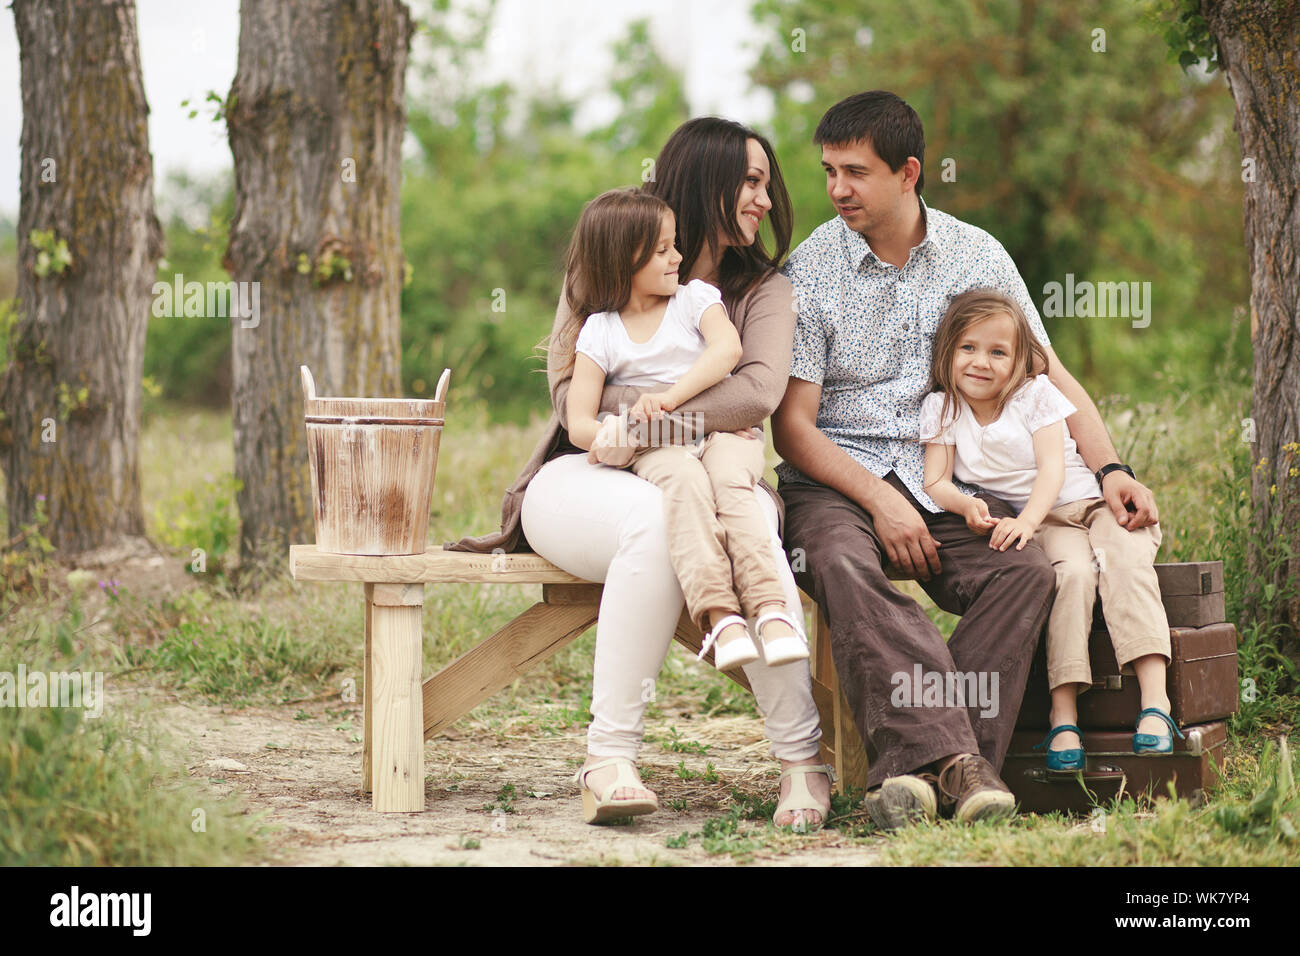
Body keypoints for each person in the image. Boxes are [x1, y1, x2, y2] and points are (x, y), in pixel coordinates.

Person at [771, 91, 1162, 831]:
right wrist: (881, 501)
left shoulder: (976, 254)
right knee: (846, 567)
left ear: (909, 172)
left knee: (1023, 571)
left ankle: (921, 775)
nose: (836, 190)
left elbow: (1044, 374)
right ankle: (962, 767)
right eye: (828, 171)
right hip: (834, 480)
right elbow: (793, 428)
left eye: (855, 172)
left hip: (947, 480)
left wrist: (1110, 469)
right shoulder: (811, 269)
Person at [448, 117, 833, 830]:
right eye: (749, 181)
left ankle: (801, 762)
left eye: (765, 182)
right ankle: (610, 760)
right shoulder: (607, 256)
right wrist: (660, 416)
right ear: (704, 182)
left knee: (739, 519)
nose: (765, 197)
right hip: (586, 475)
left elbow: (757, 394)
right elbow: (570, 404)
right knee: (654, 521)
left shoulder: (762, 291)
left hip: (718, 473)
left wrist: (648, 411)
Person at [918, 288, 1179, 768]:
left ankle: (1155, 704)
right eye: (968, 348)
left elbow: (1053, 471)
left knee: (1123, 560)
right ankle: (1065, 717)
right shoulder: (942, 408)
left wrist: (1026, 521)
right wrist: (967, 503)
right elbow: (935, 480)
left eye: (999, 352)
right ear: (947, 352)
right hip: (1050, 523)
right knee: (1071, 578)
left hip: (1090, 502)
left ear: (1019, 362)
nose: (982, 362)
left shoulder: (1035, 396)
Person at [562, 187, 810, 680]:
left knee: (733, 491)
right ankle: (720, 616)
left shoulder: (695, 298)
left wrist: (671, 398)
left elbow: (726, 353)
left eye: (674, 244)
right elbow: (579, 421)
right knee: (686, 490)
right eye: (661, 250)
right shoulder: (600, 330)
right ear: (620, 259)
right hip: (657, 446)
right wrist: (616, 436)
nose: (678, 256)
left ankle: (770, 610)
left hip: (725, 434)